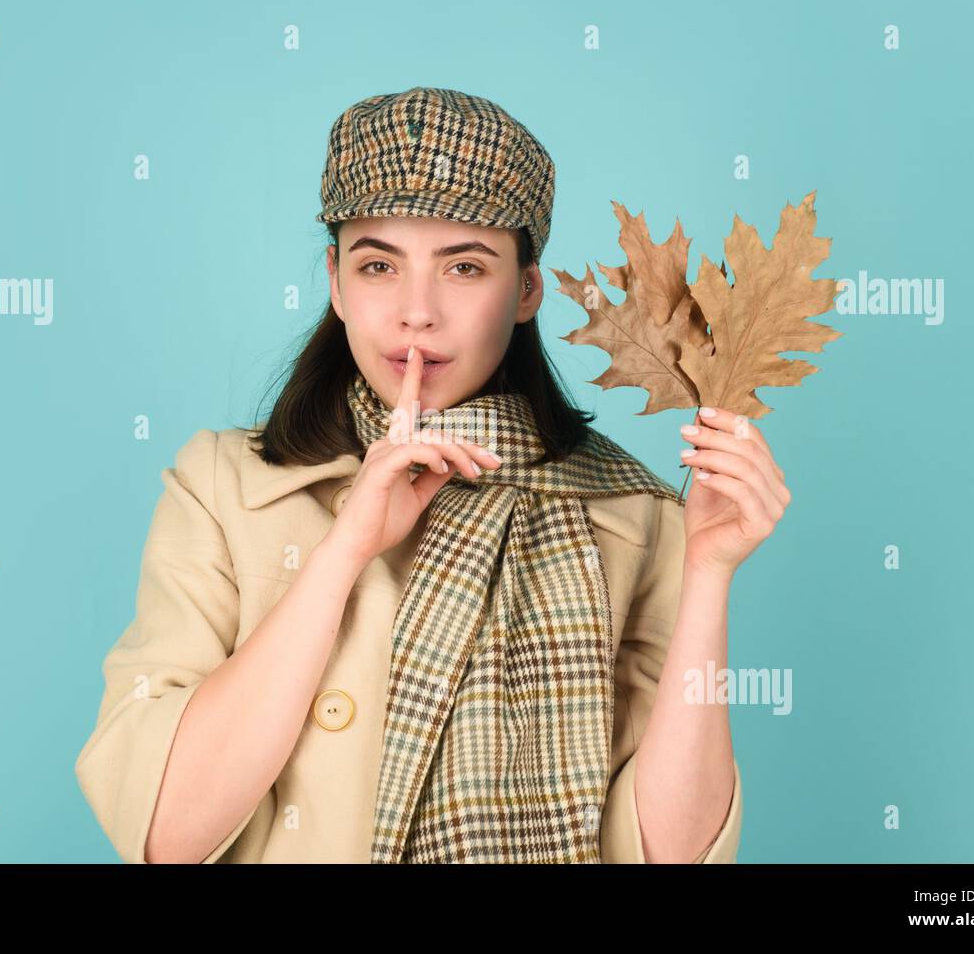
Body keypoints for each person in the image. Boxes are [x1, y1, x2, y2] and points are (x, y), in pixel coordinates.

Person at [74, 87, 790, 864]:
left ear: (526, 289)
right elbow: (166, 832)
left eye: (464, 267)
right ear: (336, 281)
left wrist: (709, 572)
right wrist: (346, 550)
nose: (417, 311)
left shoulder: (635, 518)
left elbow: (668, 853)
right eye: (378, 264)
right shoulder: (222, 487)